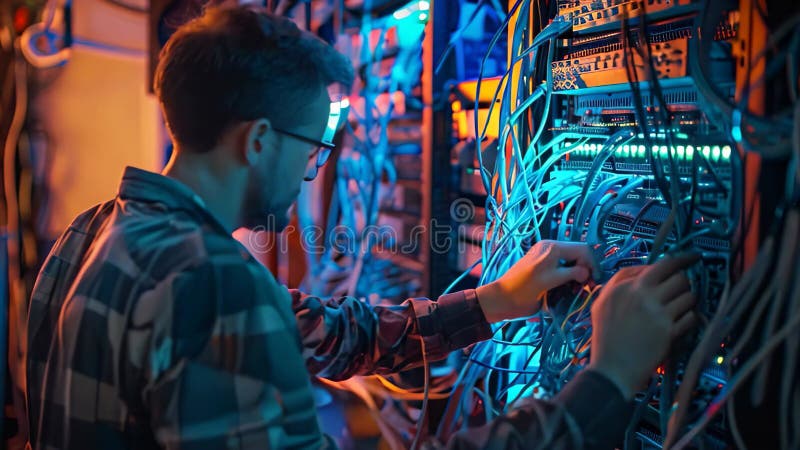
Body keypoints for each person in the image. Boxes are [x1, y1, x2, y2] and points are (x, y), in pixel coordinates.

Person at [23, 4, 698, 449]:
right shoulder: (214, 283)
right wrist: (608, 379)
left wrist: (495, 302)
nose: (314, 171)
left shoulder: (90, 235)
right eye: (312, 150)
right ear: (258, 141)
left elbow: (329, 334)